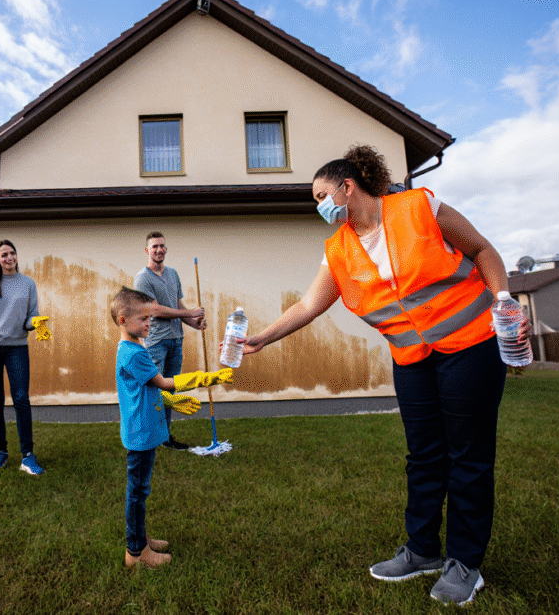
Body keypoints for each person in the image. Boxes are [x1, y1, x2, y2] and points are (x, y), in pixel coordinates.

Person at [241, 145, 529, 606]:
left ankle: (465, 563)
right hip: (412, 358)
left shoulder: (419, 207)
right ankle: (422, 550)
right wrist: (262, 338)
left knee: (468, 456)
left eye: (321, 196)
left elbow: (481, 249)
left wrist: (503, 300)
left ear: (347, 187)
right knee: (424, 455)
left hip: (471, 344)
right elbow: (309, 304)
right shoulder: (338, 249)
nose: (319, 207)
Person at [111, 286, 232, 568]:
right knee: (137, 493)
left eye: (150, 318)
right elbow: (163, 382)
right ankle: (136, 552)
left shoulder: (131, 348)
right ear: (123, 321)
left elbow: (145, 389)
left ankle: (140, 539)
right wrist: (203, 378)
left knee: (140, 490)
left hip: (140, 429)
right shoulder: (134, 353)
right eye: (143, 319)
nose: (149, 323)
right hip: (141, 433)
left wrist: (170, 401)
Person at [0, 240, 51, 476]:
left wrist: (36, 323)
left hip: (17, 348)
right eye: (4, 254)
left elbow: (30, 316)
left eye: (12, 253)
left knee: (21, 399)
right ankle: (1, 452)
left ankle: (28, 456)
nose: (9, 257)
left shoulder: (28, 284)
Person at [133, 231, 206, 450]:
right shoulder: (142, 278)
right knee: (154, 391)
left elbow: (178, 306)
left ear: (166, 249)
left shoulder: (173, 274)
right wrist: (190, 313)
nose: (159, 250)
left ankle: (164, 437)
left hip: (176, 340)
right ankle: (148, 436)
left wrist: (194, 323)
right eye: (154, 246)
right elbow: (154, 310)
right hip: (156, 343)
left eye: (162, 246)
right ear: (147, 250)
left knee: (169, 392)